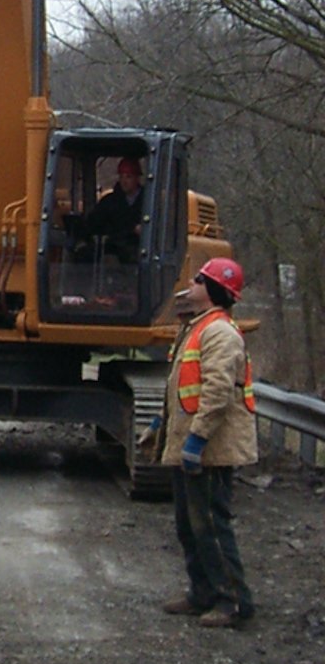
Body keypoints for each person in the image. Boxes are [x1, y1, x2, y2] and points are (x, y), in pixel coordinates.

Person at [151, 256, 256, 629]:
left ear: (213, 291)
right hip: (191, 445)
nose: (191, 284)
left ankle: (232, 602)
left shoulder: (221, 334)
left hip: (210, 450)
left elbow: (216, 391)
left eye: (199, 280)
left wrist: (196, 440)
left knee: (210, 524)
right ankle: (202, 593)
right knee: (188, 524)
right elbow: (183, 385)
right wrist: (162, 423)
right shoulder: (196, 328)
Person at [81, 156, 144, 263]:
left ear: (137, 178)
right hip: (112, 246)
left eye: (128, 177)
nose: (124, 181)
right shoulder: (109, 201)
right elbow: (94, 223)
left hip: (137, 250)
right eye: (121, 177)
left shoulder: (147, 200)